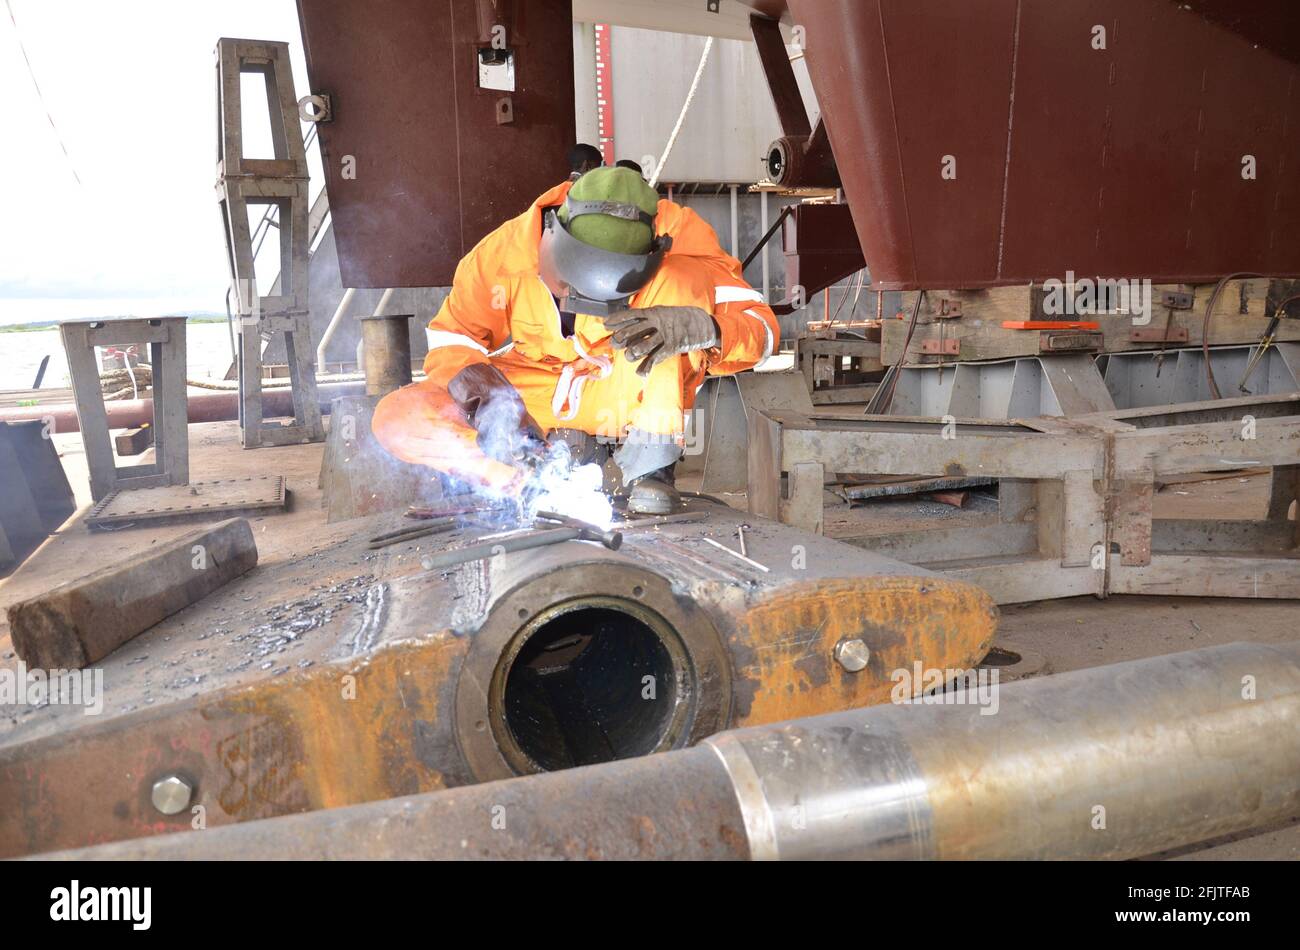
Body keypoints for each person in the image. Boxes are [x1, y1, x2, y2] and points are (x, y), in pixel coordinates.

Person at [372, 166, 777, 513]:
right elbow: (451, 338)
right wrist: (490, 404)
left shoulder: (681, 234)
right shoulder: (501, 252)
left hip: (627, 393)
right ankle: (519, 478)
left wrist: (709, 329)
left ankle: (648, 469)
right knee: (397, 415)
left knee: (682, 283)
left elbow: (763, 329)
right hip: (528, 403)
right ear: (552, 233)